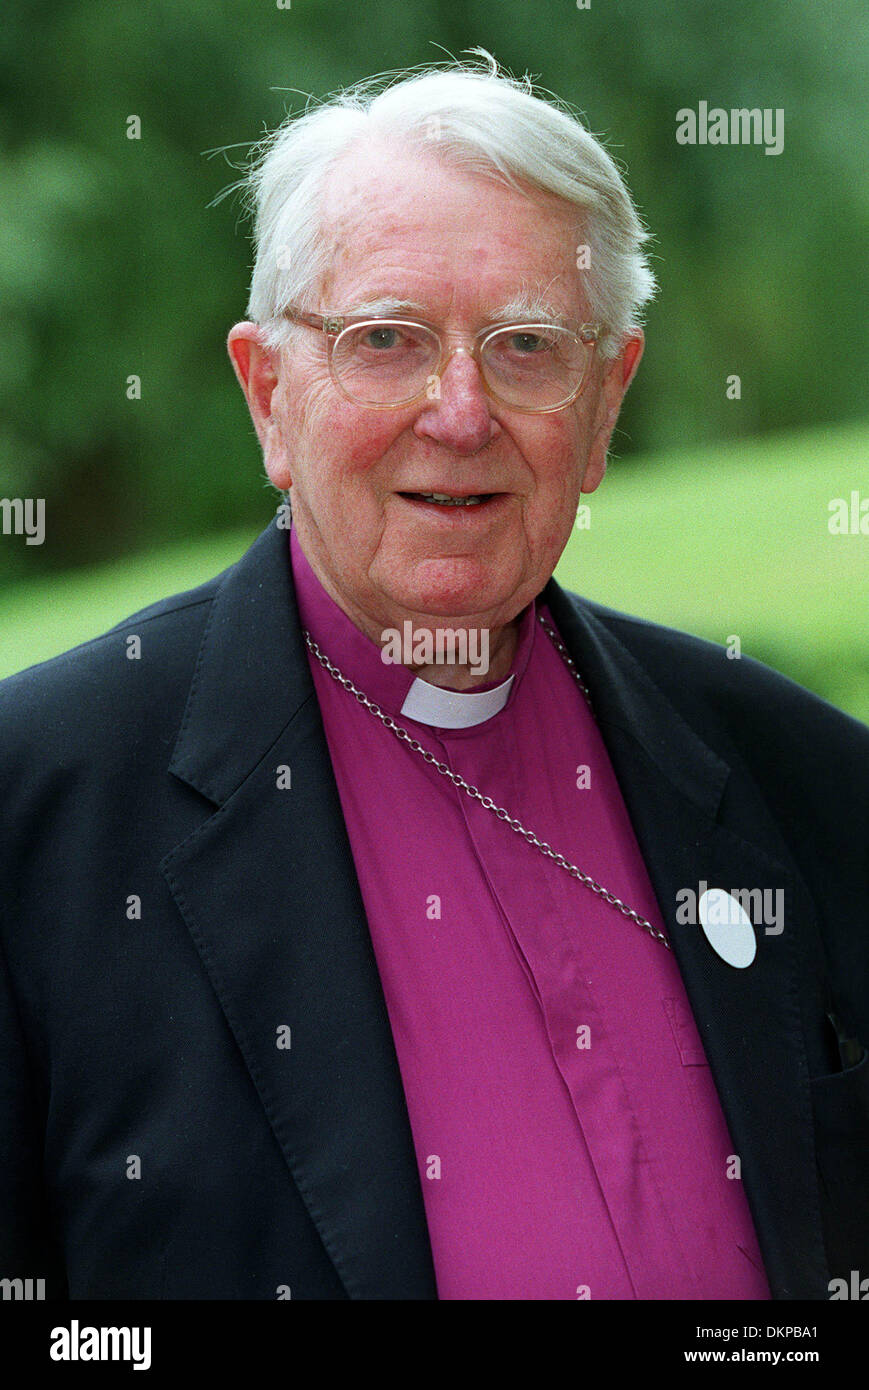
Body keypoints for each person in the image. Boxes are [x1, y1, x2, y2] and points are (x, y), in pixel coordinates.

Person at [1, 53, 866, 1302]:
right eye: (385, 339)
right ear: (267, 395)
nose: (457, 412)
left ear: (604, 402)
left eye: (525, 347)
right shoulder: (43, 814)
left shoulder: (804, 776)